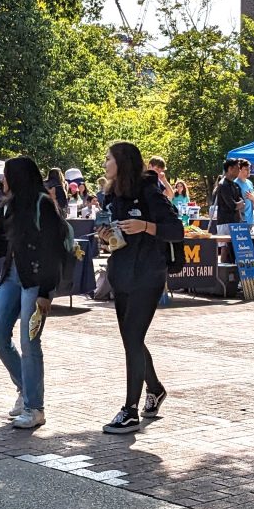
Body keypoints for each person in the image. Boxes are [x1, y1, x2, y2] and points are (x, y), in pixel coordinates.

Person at [97, 142, 180, 434]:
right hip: (121, 272)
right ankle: (155, 388)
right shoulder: (110, 194)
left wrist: (145, 226)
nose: (104, 164)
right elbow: (111, 235)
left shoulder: (148, 190)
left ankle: (130, 410)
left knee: (133, 337)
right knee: (131, 339)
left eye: (108, 159)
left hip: (148, 274)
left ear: (122, 162)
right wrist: (105, 236)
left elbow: (176, 230)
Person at [0, 157, 67, 430]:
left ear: (17, 177)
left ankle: (34, 407)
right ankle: (25, 388)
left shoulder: (43, 204)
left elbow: (53, 250)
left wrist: (46, 291)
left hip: (36, 280)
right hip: (11, 276)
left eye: (6, 175)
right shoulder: (9, 206)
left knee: (30, 342)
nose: (2, 181)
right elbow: (0, 247)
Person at [212, 160, 243, 234]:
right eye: (237, 168)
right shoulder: (223, 185)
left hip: (236, 222)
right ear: (230, 169)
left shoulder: (235, 185)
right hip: (225, 223)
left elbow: (242, 202)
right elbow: (233, 205)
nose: (239, 170)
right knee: (224, 242)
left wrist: (240, 204)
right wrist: (239, 204)